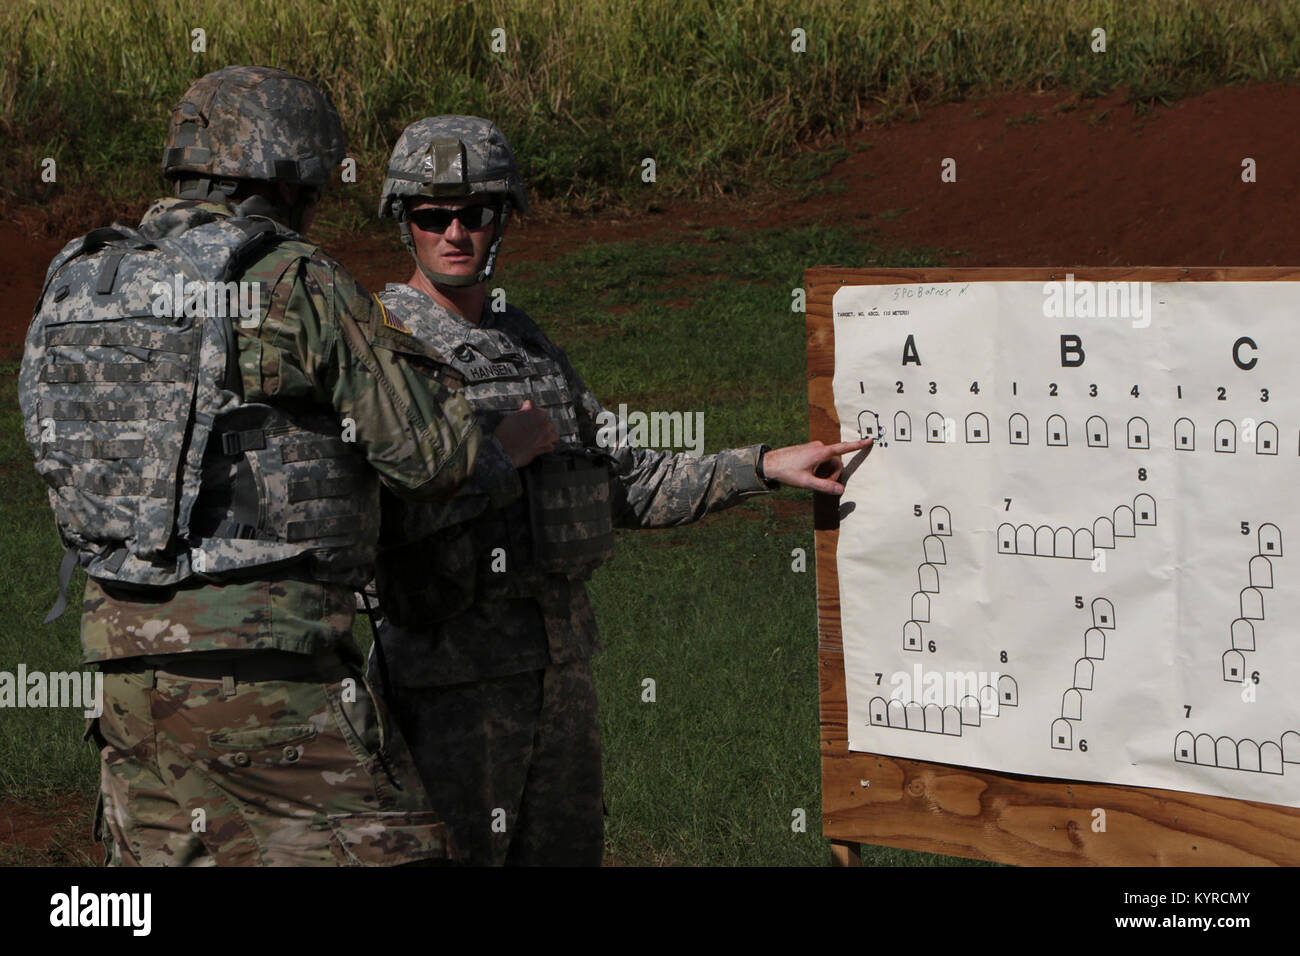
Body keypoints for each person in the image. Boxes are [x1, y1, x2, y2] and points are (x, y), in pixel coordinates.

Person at [368, 115, 871, 865]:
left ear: (503, 220)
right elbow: (370, 520)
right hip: (448, 689)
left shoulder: (526, 343)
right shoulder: (378, 348)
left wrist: (762, 466)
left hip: (558, 678)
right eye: (431, 216)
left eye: (475, 214)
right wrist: (497, 459)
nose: (454, 233)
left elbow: (629, 481)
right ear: (403, 222)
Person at [19, 68, 487, 866]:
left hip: (122, 675)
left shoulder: (82, 277)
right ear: (292, 175)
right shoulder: (288, 276)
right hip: (264, 671)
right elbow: (431, 457)